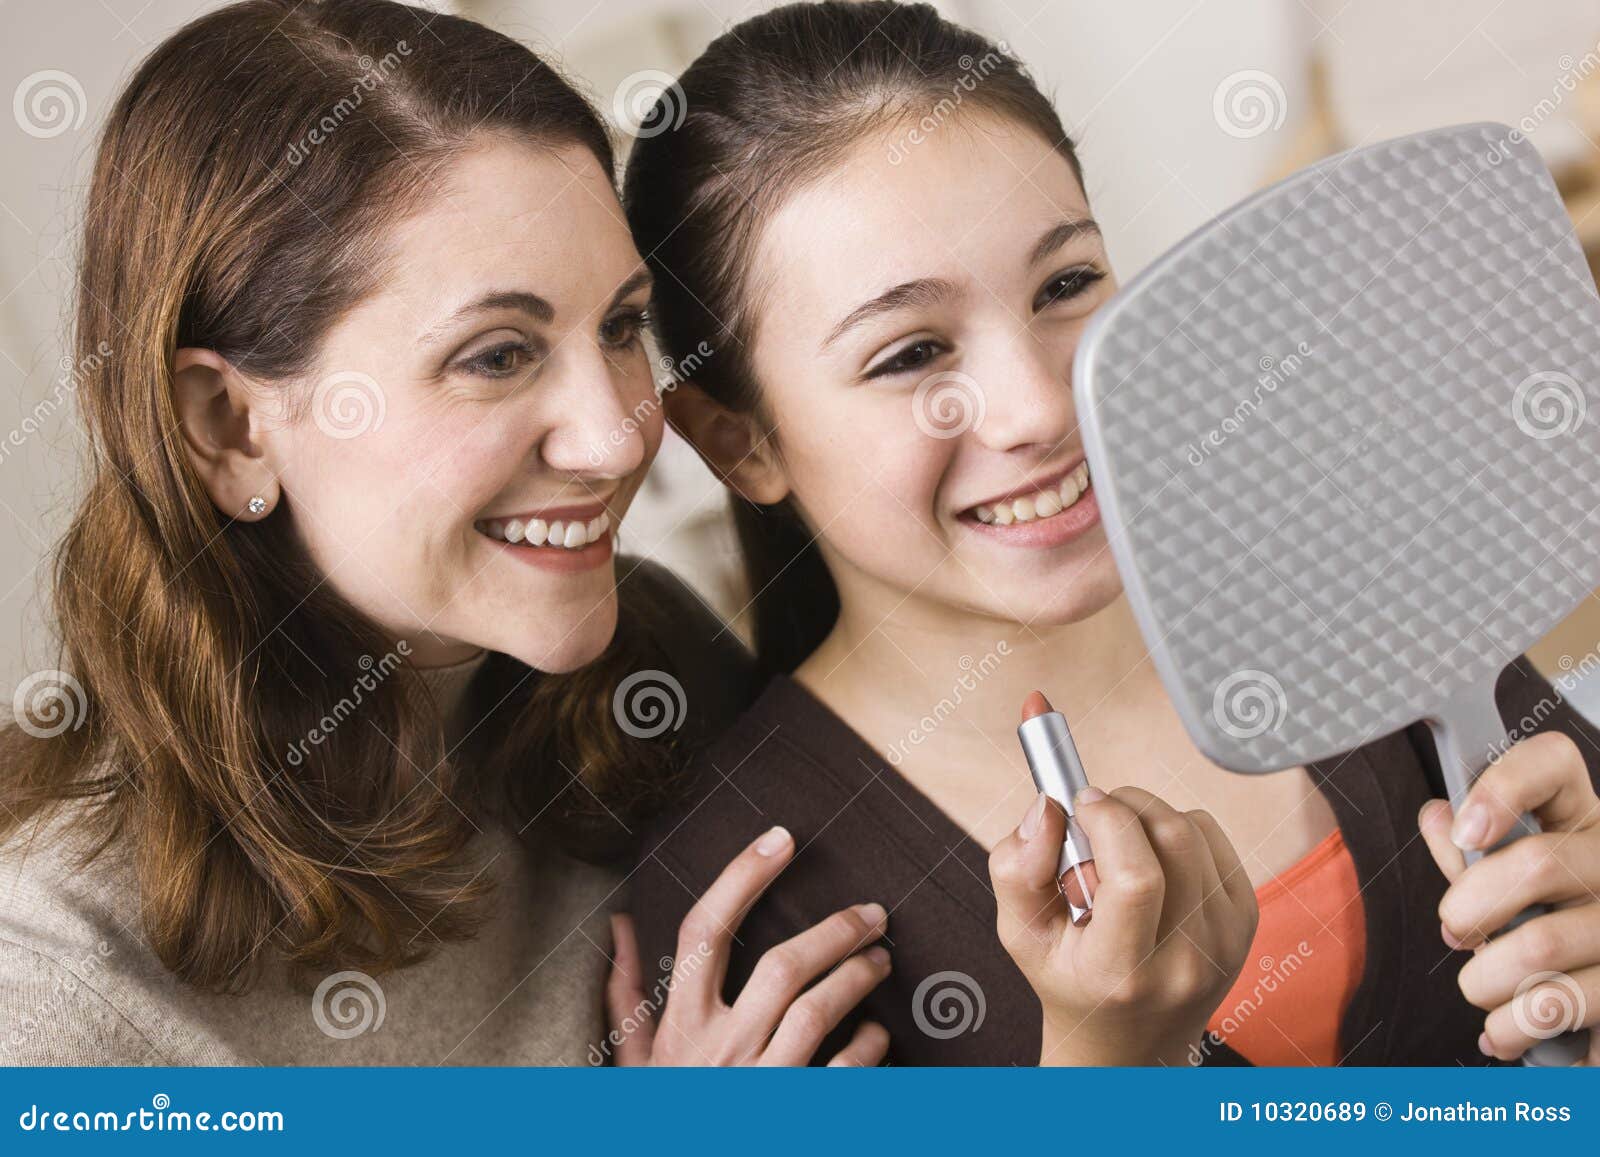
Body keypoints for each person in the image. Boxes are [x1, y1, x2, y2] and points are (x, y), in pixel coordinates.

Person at [623, 0, 1600, 1066]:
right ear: (738, 441)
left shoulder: (1354, 582)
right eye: (908, 353)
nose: (1041, 406)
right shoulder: (745, 933)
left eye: (1066, 284)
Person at [0, 0, 888, 1068]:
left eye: (617, 328)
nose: (617, 437)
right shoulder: (55, 996)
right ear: (230, 428)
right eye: (497, 354)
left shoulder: (653, 659)